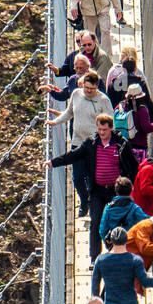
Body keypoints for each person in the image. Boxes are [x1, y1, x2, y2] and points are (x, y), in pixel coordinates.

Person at [49, 113, 139, 263]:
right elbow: (73, 155)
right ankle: (95, 258)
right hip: (97, 190)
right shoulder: (91, 143)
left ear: (111, 128)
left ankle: (117, 255)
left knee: (117, 223)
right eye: (99, 129)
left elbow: (133, 166)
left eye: (104, 129)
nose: (101, 133)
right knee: (95, 222)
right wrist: (53, 162)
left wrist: (131, 188)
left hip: (116, 192)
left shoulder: (121, 144)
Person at [47, 69, 113, 217]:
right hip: (77, 142)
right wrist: (55, 122)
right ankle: (84, 202)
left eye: (92, 89)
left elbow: (110, 122)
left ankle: (94, 202)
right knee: (77, 177)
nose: (89, 91)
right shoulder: (76, 94)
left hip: (95, 145)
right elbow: (69, 112)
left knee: (92, 176)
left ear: (97, 87)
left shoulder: (103, 100)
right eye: (86, 88)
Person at [118, 83, 153, 161]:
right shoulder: (142, 110)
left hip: (123, 146)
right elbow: (147, 128)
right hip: (139, 148)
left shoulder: (121, 107)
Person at [98, 176, 147, 248]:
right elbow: (147, 221)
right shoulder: (134, 208)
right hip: (130, 245)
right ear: (131, 190)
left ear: (116, 191)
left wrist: (109, 245)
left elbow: (102, 230)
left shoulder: (108, 208)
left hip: (115, 246)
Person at [106, 47, 153, 116]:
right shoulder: (140, 81)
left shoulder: (113, 73)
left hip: (119, 120)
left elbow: (108, 101)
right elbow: (147, 101)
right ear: (135, 68)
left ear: (123, 68)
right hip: (137, 118)